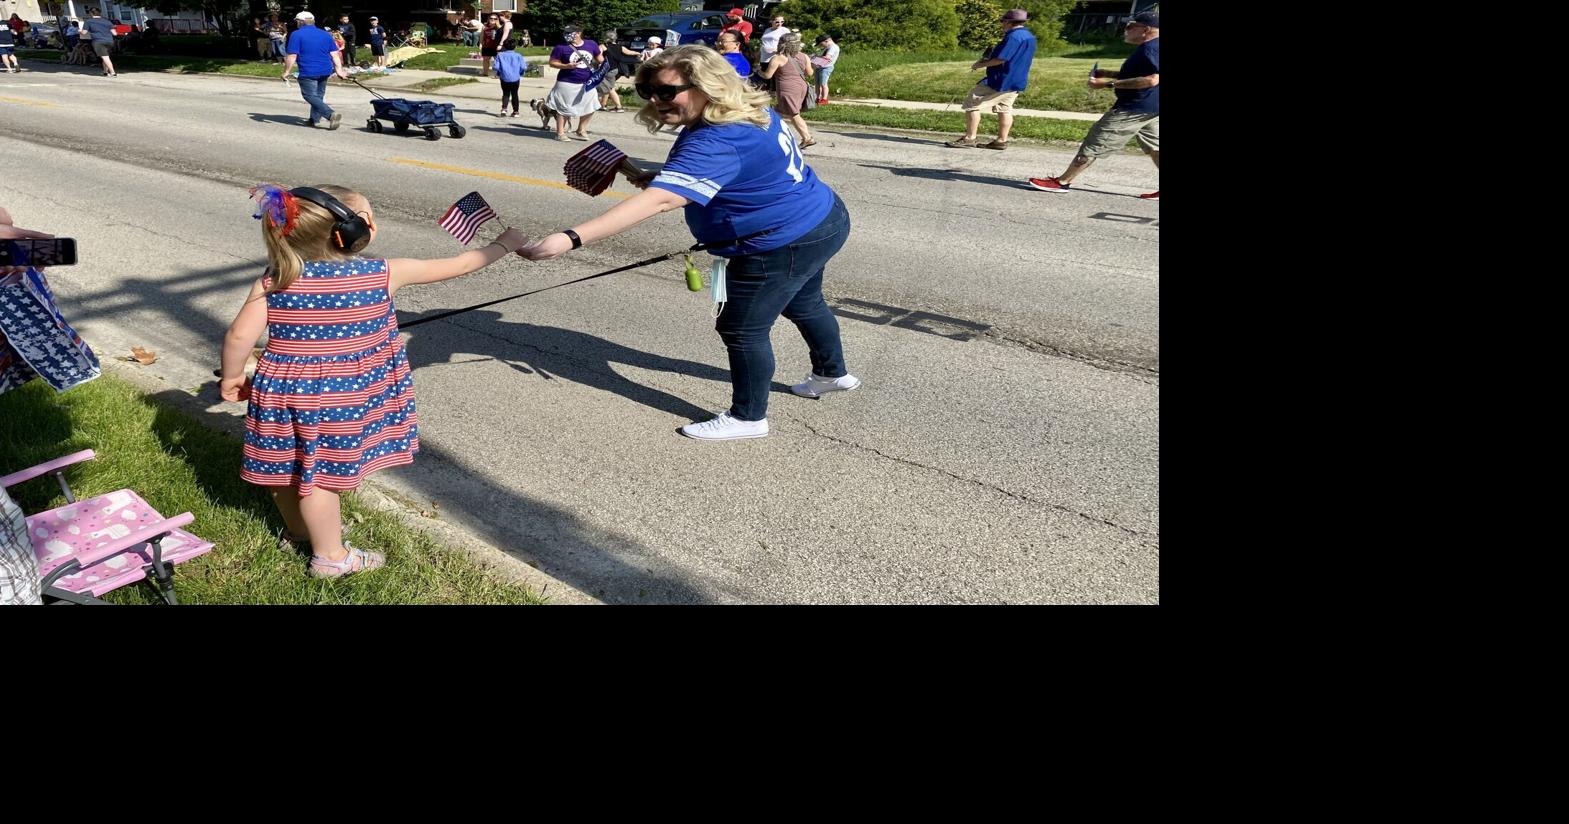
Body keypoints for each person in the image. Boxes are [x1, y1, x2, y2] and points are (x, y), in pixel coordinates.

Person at [518, 45, 860, 441]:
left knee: (742, 328)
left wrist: (569, 238)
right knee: (807, 302)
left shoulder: (714, 139)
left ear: (707, 85)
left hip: (776, 242)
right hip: (822, 219)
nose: (655, 100)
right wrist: (668, 174)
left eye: (667, 91)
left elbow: (661, 200)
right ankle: (832, 374)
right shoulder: (747, 111)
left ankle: (749, 418)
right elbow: (736, 167)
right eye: (647, 90)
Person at [221, 184, 527, 577]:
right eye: (368, 217)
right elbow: (463, 263)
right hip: (340, 398)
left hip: (282, 392)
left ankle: (299, 532)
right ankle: (331, 557)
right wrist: (505, 243)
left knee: (288, 468)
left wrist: (233, 378)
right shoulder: (385, 272)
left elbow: (238, 337)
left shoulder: (274, 279)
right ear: (351, 233)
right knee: (319, 481)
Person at [1029, 10, 1159, 198]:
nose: (1126, 30)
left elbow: (1151, 80)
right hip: (1153, 108)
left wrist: (1107, 84)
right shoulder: (1154, 47)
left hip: (1133, 108)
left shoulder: (1150, 49)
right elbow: (1143, 74)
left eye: (1131, 26)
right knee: (1155, 146)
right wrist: (1108, 73)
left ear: (1145, 29)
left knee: (1096, 141)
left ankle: (1062, 182)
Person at [945, 8, 1036, 150]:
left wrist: (980, 64)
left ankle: (970, 138)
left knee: (972, 103)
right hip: (1017, 80)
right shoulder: (1029, 36)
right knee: (1005, 109)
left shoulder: (1013, 37)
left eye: (1002, 21)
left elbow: (1001, 59)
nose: (1001, 24)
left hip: (1000, 80)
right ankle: (1001, 140)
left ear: (1008, 22)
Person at [283, 11, 350, 129]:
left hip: (308, 71)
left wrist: (286, 72)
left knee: (309, 95)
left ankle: (330, 114)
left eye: (297, 21)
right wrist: (339, 71)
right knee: (318, 96)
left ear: (301, 22)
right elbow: (335, 55)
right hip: (325, 70)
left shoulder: (296, 34)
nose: (296, 23)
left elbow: (292, 56)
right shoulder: (325, 34)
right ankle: (313, 120)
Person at [546, 24, 602, 142]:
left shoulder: (591, 44)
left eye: (569, 32)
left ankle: (581, 130)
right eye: (565, 33)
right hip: (566, 82)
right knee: (564, 108)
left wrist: (603, 66)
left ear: (578, 33)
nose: (566, 35)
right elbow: (552, 62)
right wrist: (565, 66)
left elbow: (599, 58)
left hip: (587, 81)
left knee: (591, 105)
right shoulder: (561, 47)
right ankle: (560, 133)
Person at [758, 32, 815, 148]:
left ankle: (807, 138)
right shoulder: (804, 56)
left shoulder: (779, 58)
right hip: (801, 86)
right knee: (780, 112)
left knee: (793, 114)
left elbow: (768, 75)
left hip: (787, 88)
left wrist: (758, 71)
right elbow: (810, 73)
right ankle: (767, 134)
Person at [493, 38, 525, 117]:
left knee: (505, 93)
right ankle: (516, 111)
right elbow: (523, 67)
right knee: (515, 94)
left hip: (504, 77)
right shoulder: (518, 56)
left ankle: (504, 109)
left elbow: (496, 67)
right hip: (515, 78)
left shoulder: (500, 55)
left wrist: (499, 72)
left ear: (504, 46)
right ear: (515, 46)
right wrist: (520, 73)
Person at [82, 8, 117, 77]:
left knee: (105, 57)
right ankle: (105, 72)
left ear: (91, 13)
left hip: (98, 41)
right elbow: (114, 33)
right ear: (99, 13)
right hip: (109, 41)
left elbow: (84, 32)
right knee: (106, 56)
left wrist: (79, 31)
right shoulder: (107, 21)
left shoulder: (88, 21)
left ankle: (113, 72)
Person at [812, 34, 838, 105]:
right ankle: (817, 98)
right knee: (817, 83)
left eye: (821, 44)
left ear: (826, 41)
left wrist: (814, 59)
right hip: (820, 66)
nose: (821, 46)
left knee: (823, 83)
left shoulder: (833, 47)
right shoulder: (827, 47)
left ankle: (824, 99)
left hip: (826, 67)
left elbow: (827, 57)